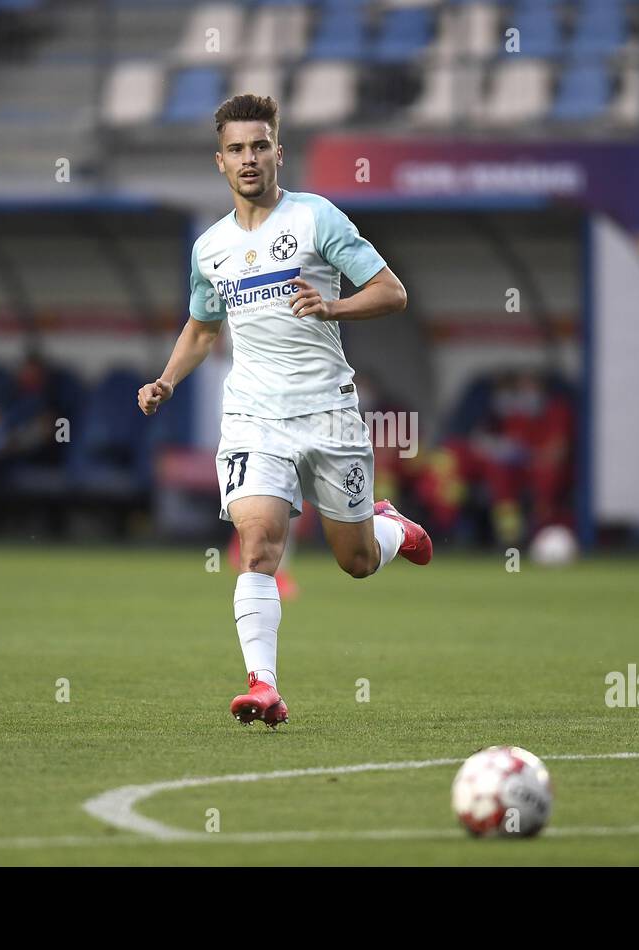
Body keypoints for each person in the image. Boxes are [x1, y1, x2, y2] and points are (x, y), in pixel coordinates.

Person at [137, 94, 429, 729]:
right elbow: (202, 327)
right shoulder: (210, 247)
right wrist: (166, 380)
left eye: (260, 145)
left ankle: (391, 530)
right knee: (258, 544)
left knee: (354, 561)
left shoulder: (316, 218)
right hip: (253, 417)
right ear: (220, 161)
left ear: (278, 153)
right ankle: (263, 687)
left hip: (329, 414)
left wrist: (334, 308)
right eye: (237, 149)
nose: (249, 158)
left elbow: (391, 292)